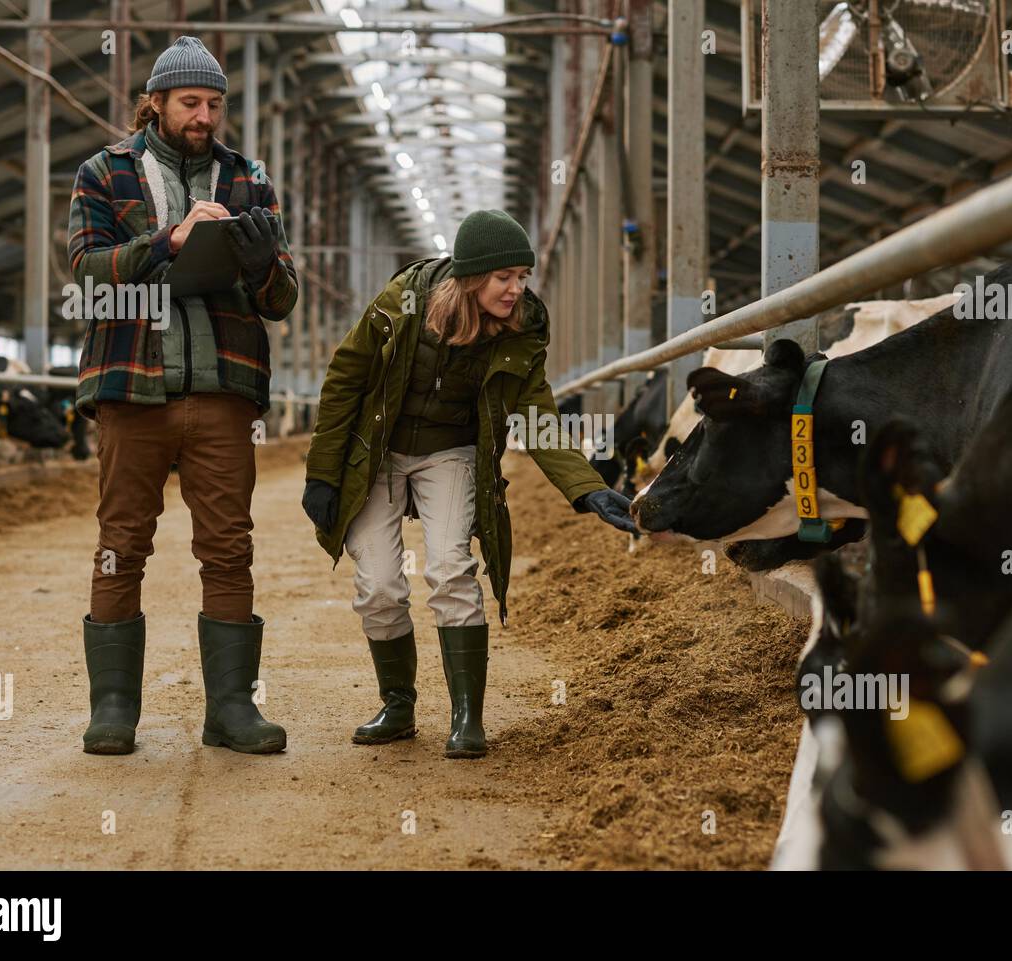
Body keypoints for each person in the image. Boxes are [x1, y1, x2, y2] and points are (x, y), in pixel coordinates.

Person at [302, 209, 635, 759]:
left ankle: (466, 717)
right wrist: (322, 472)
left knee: (451, 568)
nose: (516, 289)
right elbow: (345, 379)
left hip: (453, 452)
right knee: (380, 585)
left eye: (523, 277)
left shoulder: (522, 327)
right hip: (378, 451)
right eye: (505, 278)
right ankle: (398, 706)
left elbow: (535, 413)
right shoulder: (403, 303)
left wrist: (586, 486)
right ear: (472, 277)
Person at [67, 36, 297, 755]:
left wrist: (263, 266)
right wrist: (172, 240)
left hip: (223, 388)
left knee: (228, 547)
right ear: (157, 103)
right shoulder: (103, 172)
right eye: (191, 102)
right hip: (132, 387)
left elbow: (283, 298)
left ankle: (231, 708)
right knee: (121, 542)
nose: (205, 116)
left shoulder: (249, 177)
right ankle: (113, 709)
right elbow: (88, 270)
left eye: (215, 104)